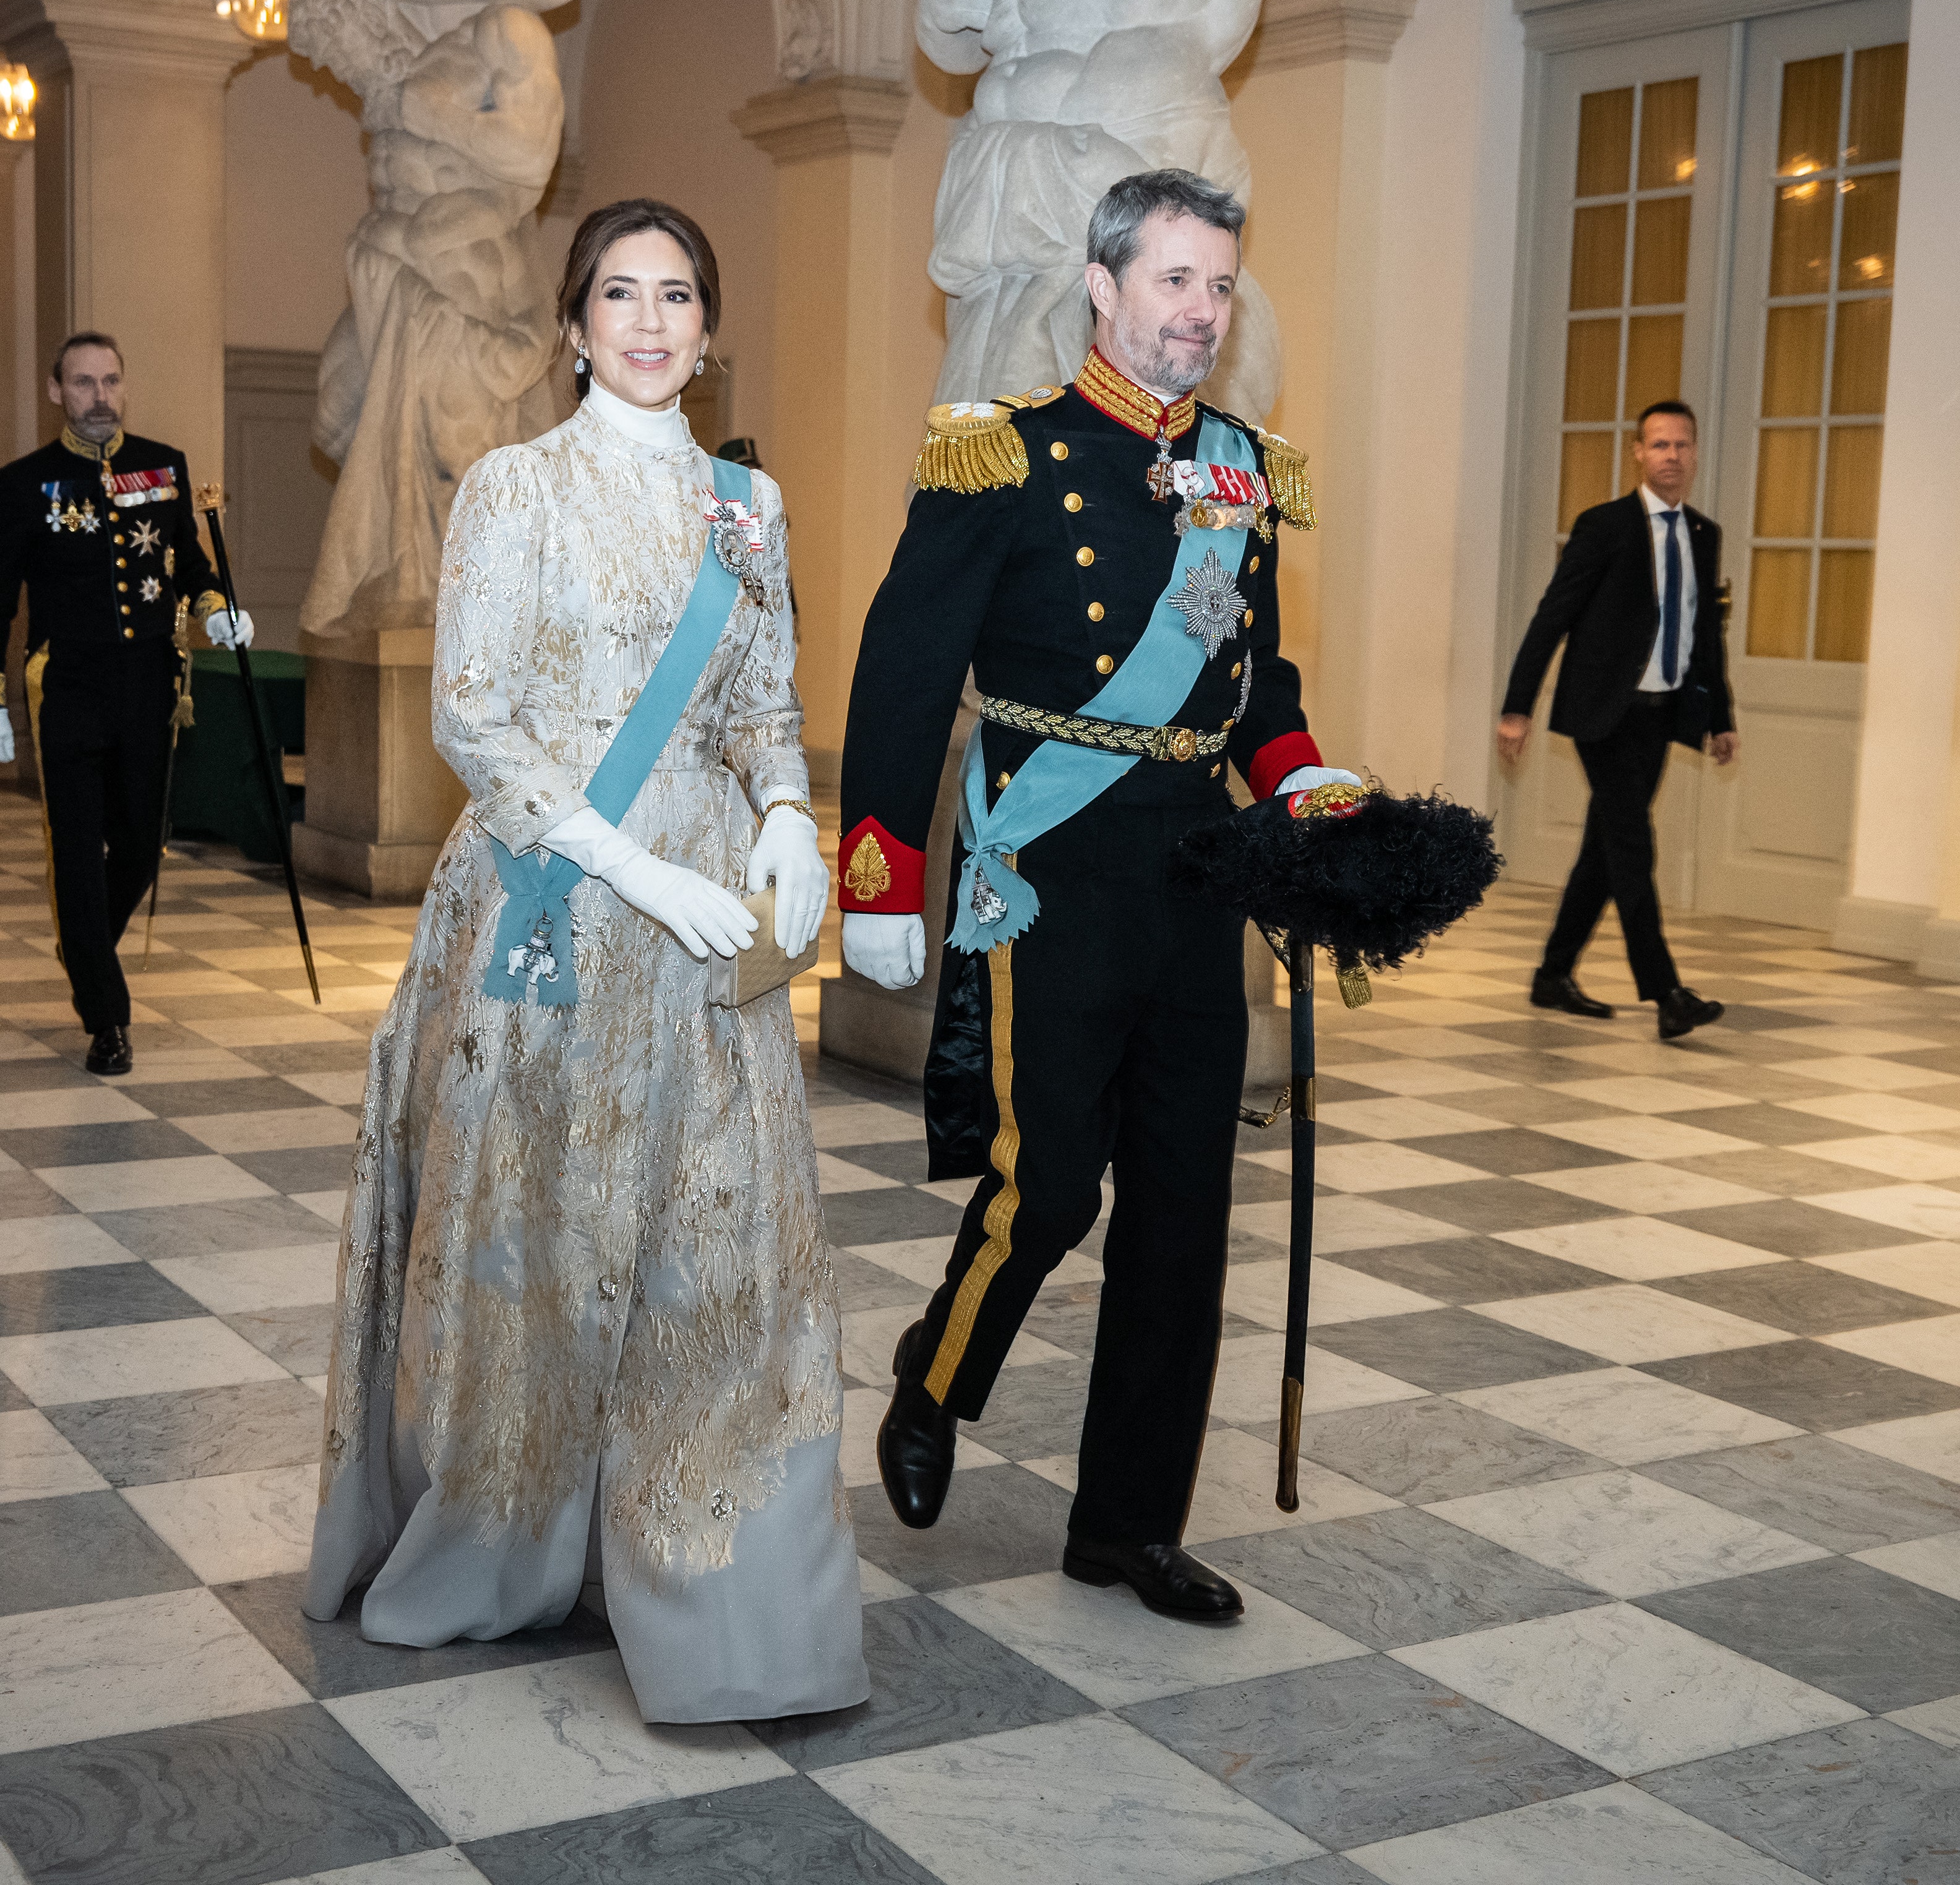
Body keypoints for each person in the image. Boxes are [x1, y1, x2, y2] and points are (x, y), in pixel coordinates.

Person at [303, 199, 867, 1725]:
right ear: (571, 323)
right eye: (617, 292)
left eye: (676, 293)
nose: (646, 319)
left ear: (707, 324)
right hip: (552, 902)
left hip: (708, 938)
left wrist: (789, 821)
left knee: (719, 1236)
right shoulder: (514, 488)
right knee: (535, 1237)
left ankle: (715, 1578)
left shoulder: (748, 508)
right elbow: (473, 721)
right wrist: (635, 869)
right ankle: (506, 1534)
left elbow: (759, 702)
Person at [839, 168, 1355, 1623]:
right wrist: (876, 869)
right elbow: (900, 672)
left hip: (1195, 875)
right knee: (1049, 1181)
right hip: (1045, 870)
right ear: (1103, 283)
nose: (1197, 312)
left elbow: (1255, 684)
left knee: (1185, 1210)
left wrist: (1304, 785)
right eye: (1173, 280)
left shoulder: (1244, 472)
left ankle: (1126, 1523)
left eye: (1217, 286)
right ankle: (936, 1374)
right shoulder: (997, 459)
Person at [0, 332, 250, 1077]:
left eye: (110, 381)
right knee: (75, 854)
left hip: (148, 687)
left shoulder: (163, 467)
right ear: (57, 393)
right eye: (83, 384)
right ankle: (105, 1018)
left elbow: (193, 568)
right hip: (68, 690)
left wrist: (214, 611)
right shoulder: (23, 484)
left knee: (141, 844)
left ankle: (84, 944)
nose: (99, 397)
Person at [1497, 399, 1738, 1042]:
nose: (1672, 457)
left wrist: (1721, 717)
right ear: (1638, 452)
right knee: (1634, 848)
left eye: (1683, 445)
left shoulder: (1703, 535)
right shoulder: (1603, 526)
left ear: (1695, 453)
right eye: (1659, 445)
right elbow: (1553, 616)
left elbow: (1706, 636)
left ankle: (1553, 974)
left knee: (1604, 853)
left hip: (1661, 719)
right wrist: (1518, 707)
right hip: (1605, 714)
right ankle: (1666, 993)